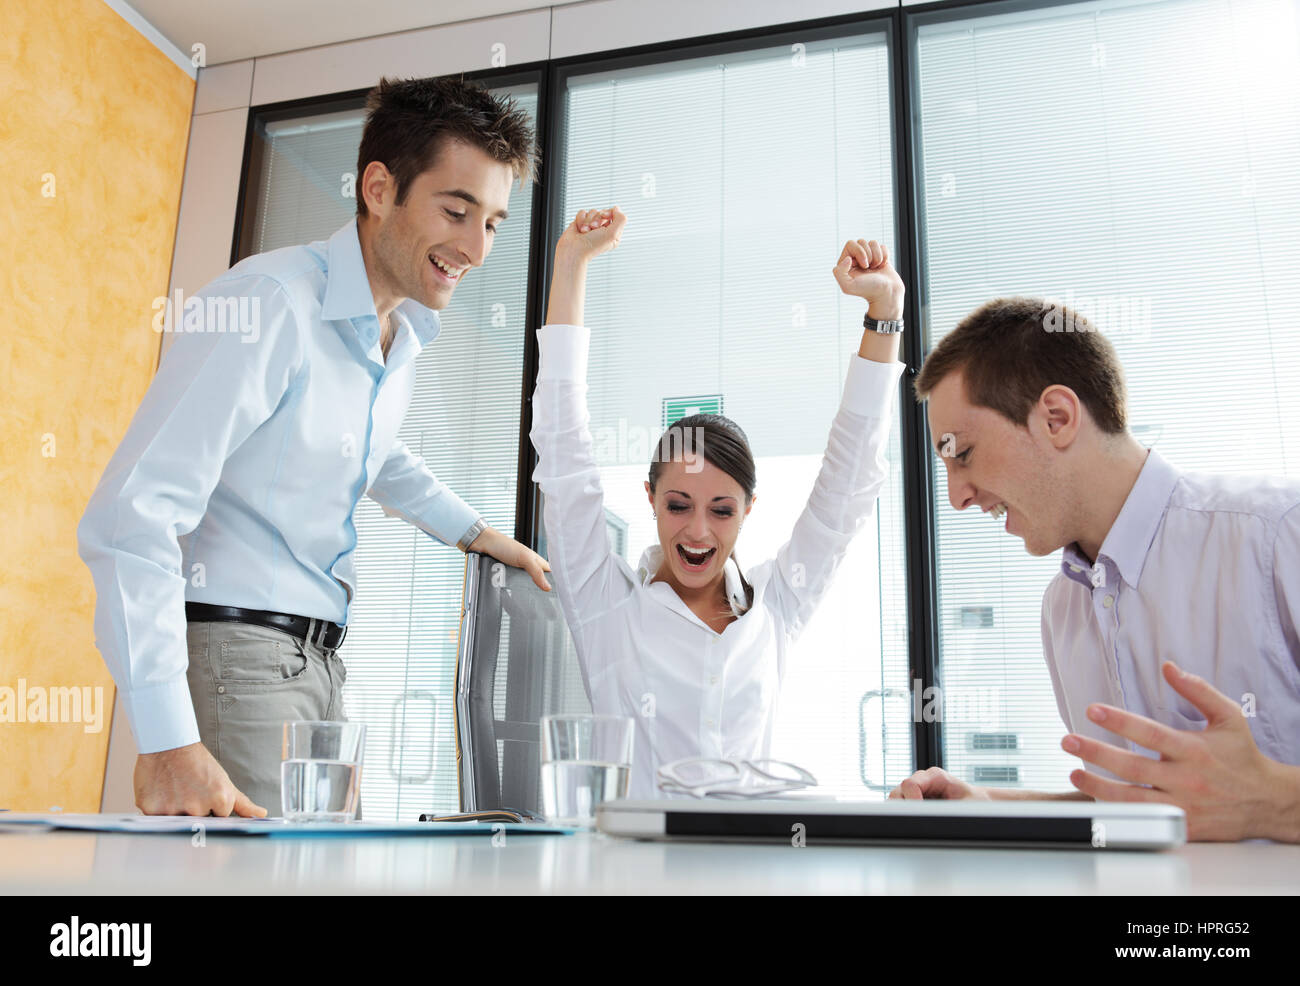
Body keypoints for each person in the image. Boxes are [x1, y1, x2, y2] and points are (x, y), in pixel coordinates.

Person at [78, 76, 551, 817]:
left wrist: (479, 535)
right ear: (378, 188)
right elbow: (129, 517)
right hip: (239, 659)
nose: (474, 247)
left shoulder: (399, 337)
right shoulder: (270, 304)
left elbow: (376, 455)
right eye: (456, 211)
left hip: (319, 664)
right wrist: (167, 741)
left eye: (491, 223)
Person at [890, 296, 1300, 843]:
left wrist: (1269, 803)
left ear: (1056, 418)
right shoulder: (1064, 609)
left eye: (961, 453)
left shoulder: (1275, 535)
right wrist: (991, 805)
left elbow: (1235, 805)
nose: (957, 497)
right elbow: (1140, 804)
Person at [530, 206, 907, 798]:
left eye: (722, 510)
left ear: (748, 510)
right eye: (678, 504)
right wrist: (570, 265)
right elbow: (564, 456)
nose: (698, 531)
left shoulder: (775, 606)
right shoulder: (604, 605)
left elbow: (847, 485)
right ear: (649, 499)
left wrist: (884, 315)